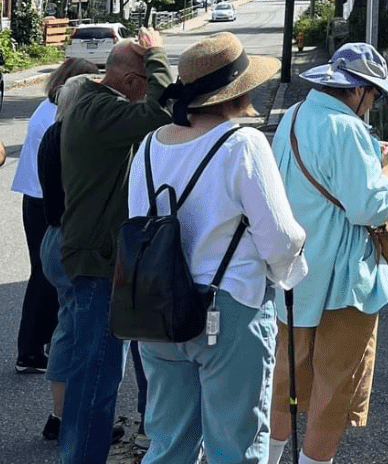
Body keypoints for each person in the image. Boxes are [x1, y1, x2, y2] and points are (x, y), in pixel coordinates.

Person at [128, 32, 308, 464]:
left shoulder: (150, 145)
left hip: (157, 308)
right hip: (229, 306)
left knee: (169, 442)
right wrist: (291, 272)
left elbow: (136, 220)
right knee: (236, 444)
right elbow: (280, 237)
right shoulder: (242, 143)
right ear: (238, 91)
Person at [267, 42, 388, 464]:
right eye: (376, 94)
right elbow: (371, 207)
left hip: (294, 277)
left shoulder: (293, 116)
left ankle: (268, 459)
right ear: (359, 90)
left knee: (285, 382)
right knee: (334, 392)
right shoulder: (348, 130)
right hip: (344, 282)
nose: (374, 102)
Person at [57, 26, 174, 464]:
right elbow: (162, 113)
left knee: (94, 373)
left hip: (95, 253)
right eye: (146, 84)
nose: (150, 93)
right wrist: (158, 55)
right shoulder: (102, 112)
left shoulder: (94, 98)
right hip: (98, 262)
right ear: (130, 82)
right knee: (97, 379)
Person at [12, 58, 97, 378]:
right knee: (45, 277)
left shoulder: (46, 108)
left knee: (43, 274)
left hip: (34, 198)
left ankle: (38, 345)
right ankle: (31, 350)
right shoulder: (58, 117)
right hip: (44, 201)